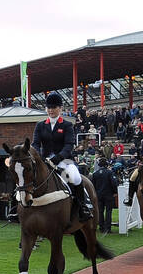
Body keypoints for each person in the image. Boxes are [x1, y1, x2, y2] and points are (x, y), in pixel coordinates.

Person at [32, 92, 90, 221]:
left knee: (75, 177)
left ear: (60, 108)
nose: (51, 110)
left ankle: (83, 207)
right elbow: (35, 143)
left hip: (64, 160)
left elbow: (69, 145)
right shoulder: (40, 125)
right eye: (49, 107)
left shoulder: (67, 125)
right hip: (45, 160)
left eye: (54, 107)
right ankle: (20, 207)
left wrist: (58, 157)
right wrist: (38, 157)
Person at [91, 156, 117, 234]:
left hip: (98, 195)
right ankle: (108, 228)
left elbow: (93, 185)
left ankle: (101, 227)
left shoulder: (95, 174)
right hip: (108, 194)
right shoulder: (109, 172)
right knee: (108, 211)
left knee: (100, 211)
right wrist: (115, 191)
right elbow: (113, 183)